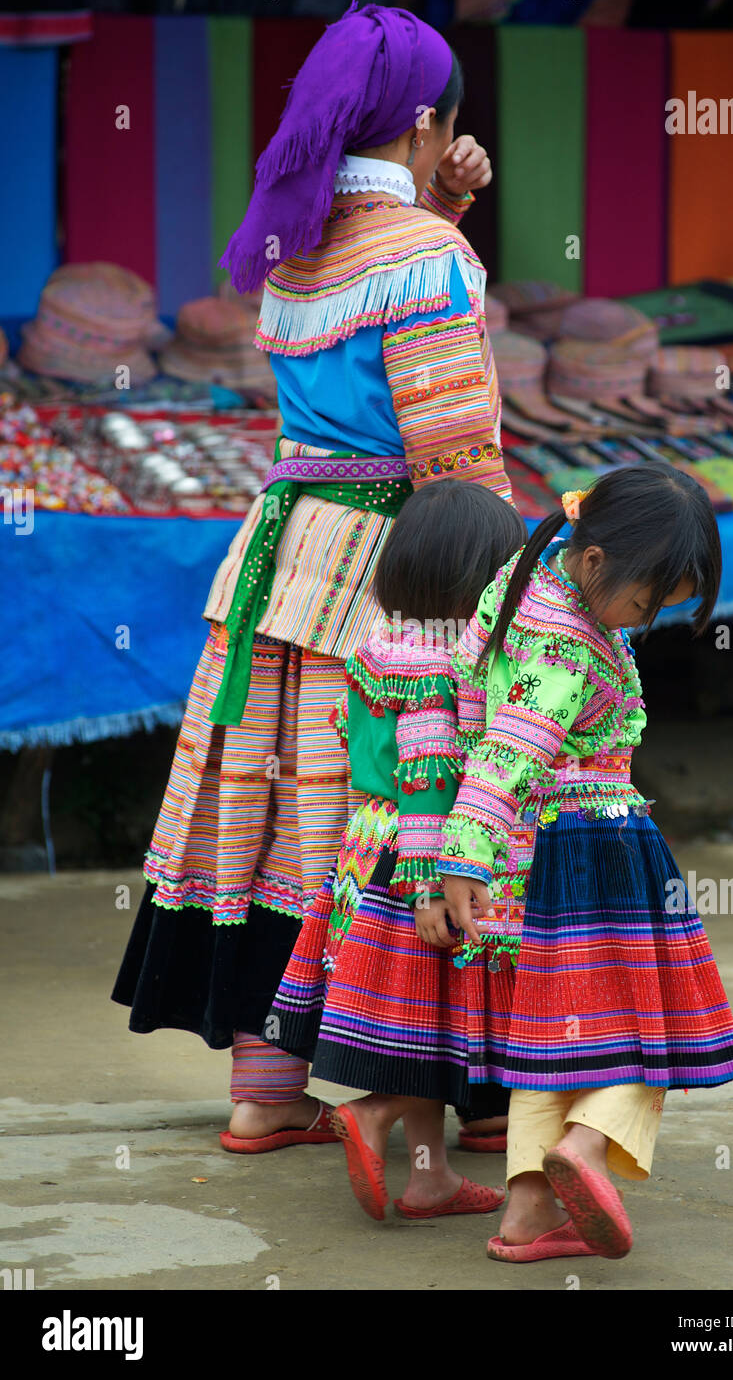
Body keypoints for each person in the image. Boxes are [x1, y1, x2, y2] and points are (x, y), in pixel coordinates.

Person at [111, 3, 513, 1150]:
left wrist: (444, 199)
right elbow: (454, 453)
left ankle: (264, 1093)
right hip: (401, 563)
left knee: (286, 813)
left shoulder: (296, 241)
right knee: (404, 809)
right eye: (445, 125)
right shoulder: (427, 258)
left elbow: (351, 371)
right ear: (428, 122)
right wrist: (504, 598)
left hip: (286, 557)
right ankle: (453, 1094)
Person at [436, 465, 733, 1262]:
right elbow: (514, 743)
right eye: (646, 604)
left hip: (532, 854)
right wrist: (461, 854)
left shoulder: (522, 581)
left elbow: (480, 715)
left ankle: (526, 1212)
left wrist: (477, 853)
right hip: (597, 839)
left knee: (555, 1030)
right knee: (652, 1020)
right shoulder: (572, 648)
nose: (642, 623)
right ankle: (589, 1142)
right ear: (599, 559)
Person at [262, 480, 526, 1219]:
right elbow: (428, 779)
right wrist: (432, 885)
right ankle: (374, 1115)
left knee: (416, 1018)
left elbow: (358, 751)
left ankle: (430, 1174)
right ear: (478, 578)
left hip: (365, 849)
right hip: (423, 858)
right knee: (447, 1022)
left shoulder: (377, 646)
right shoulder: (443, 665)